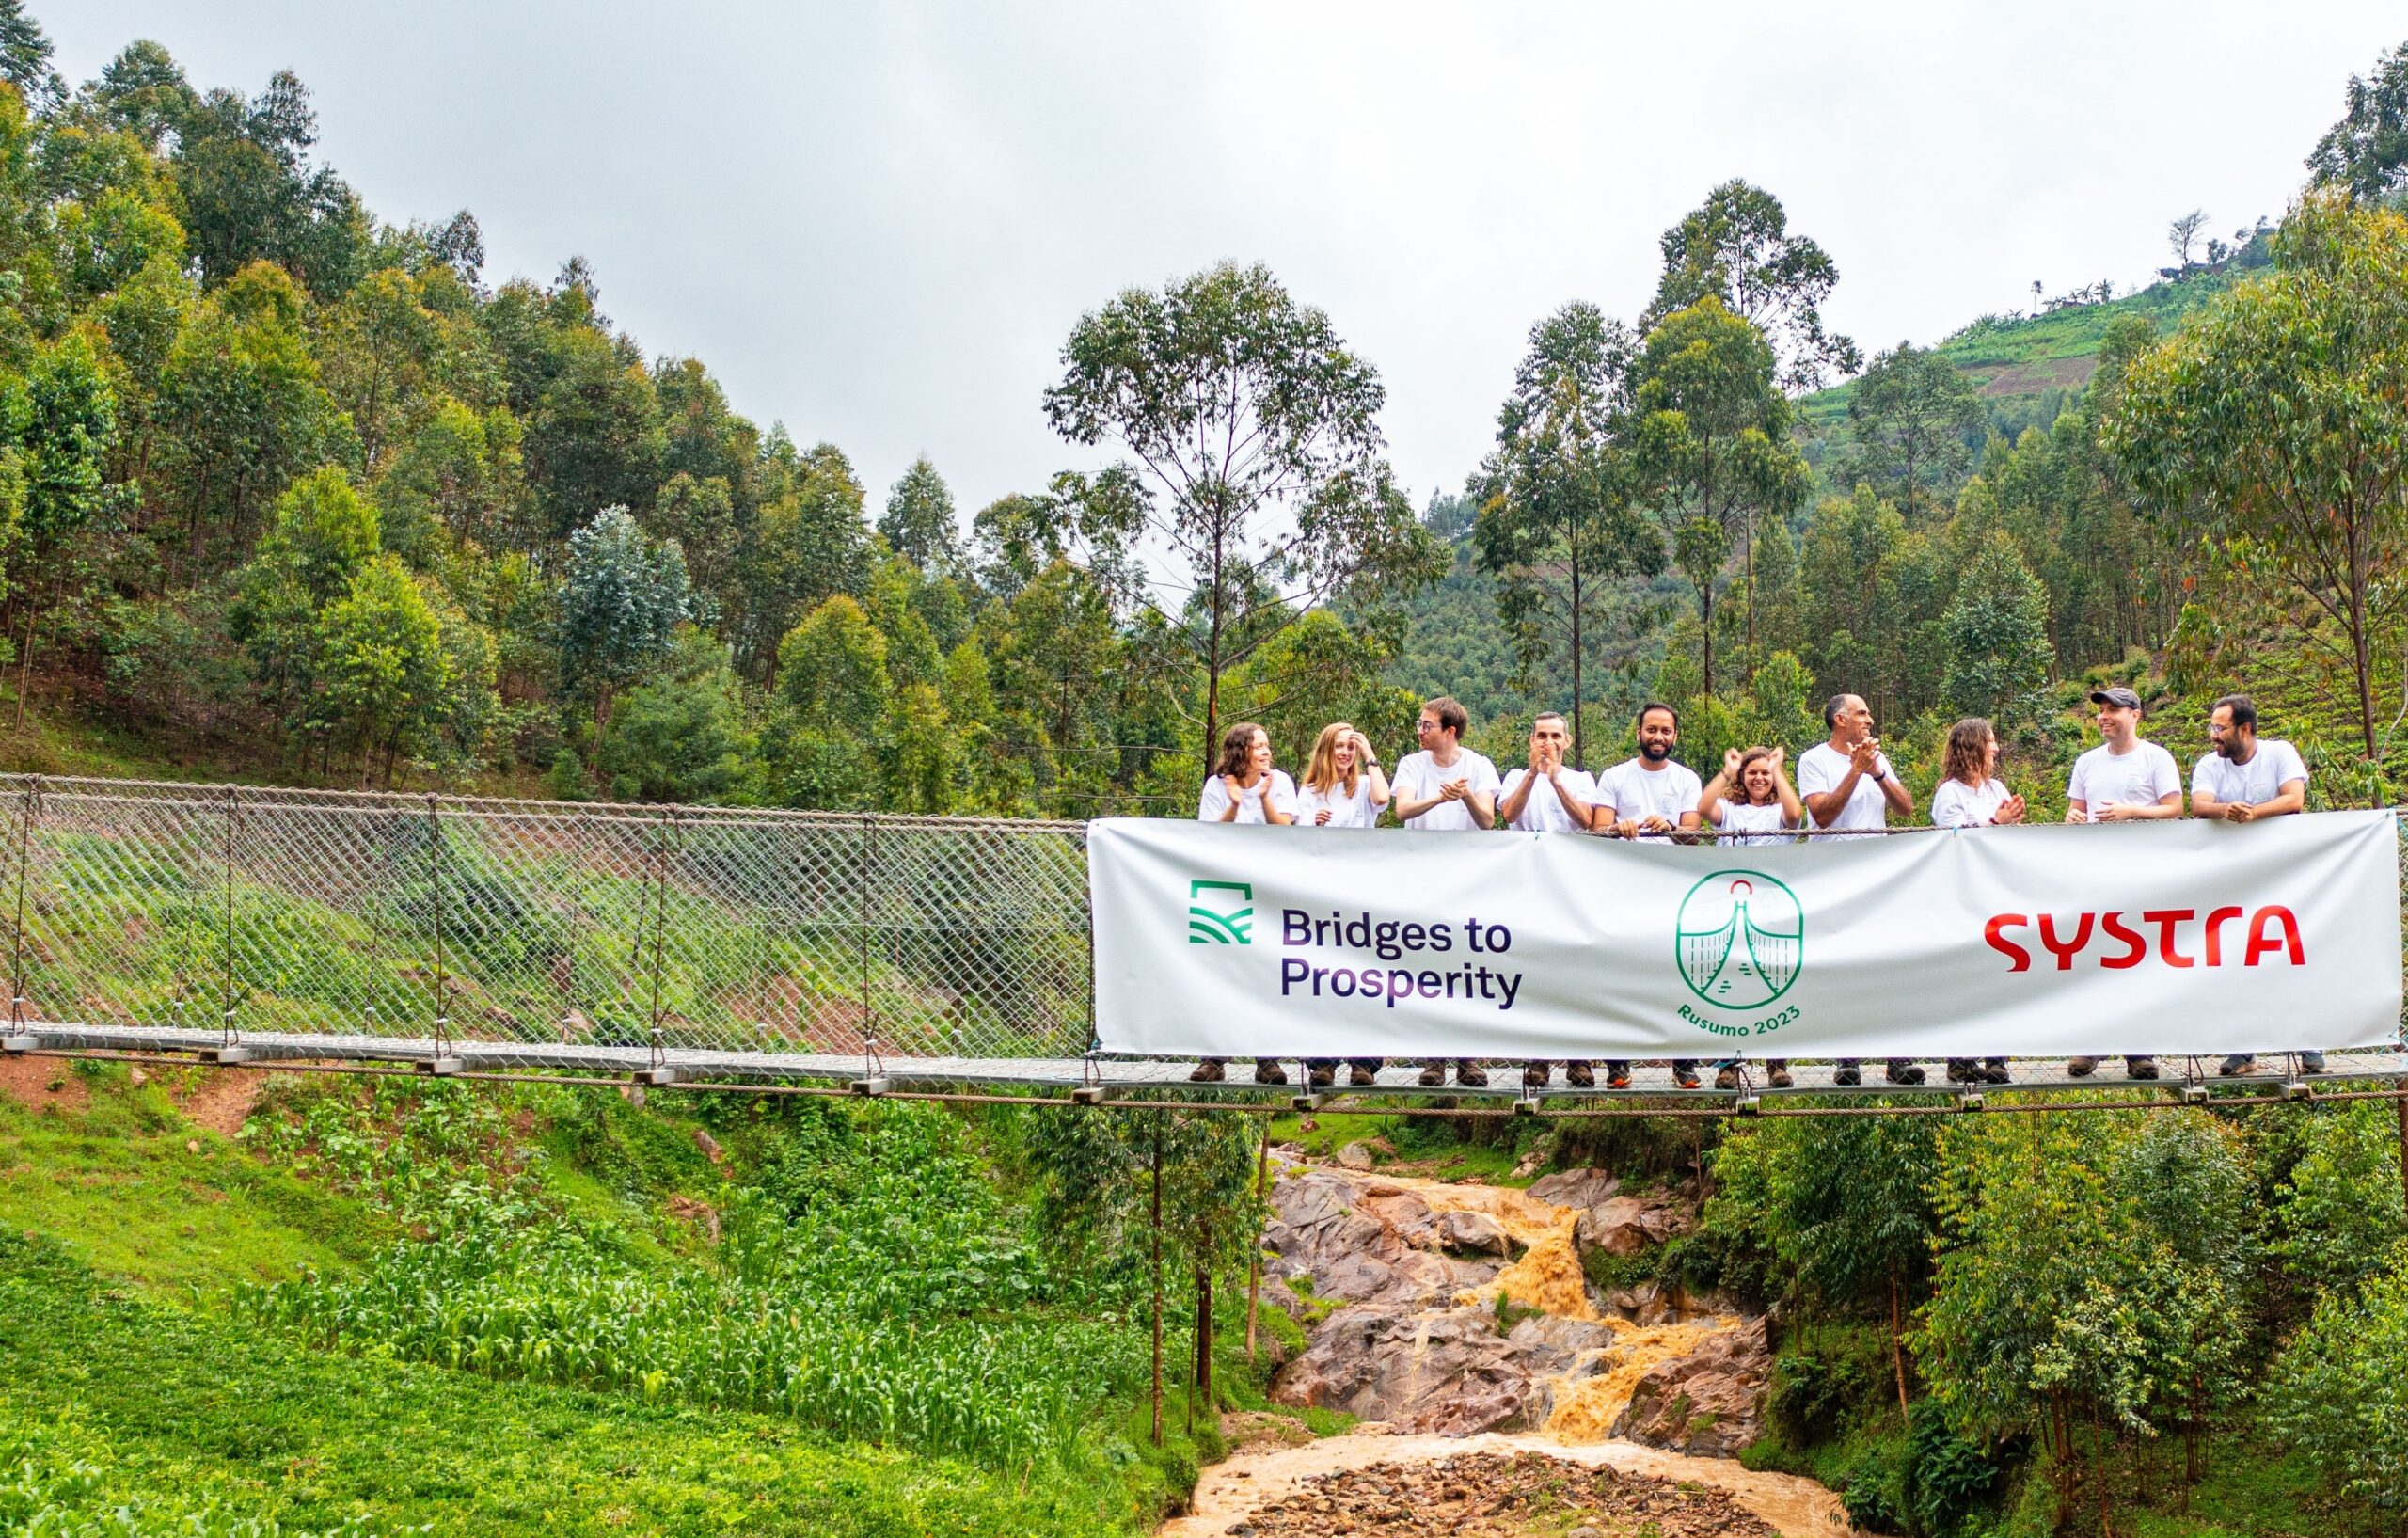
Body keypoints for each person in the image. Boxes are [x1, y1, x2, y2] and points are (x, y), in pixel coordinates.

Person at [2190, 694, 2320, 1077]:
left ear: (2244, 729)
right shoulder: (2209, 765)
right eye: (2212, 726)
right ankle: (2243, 1049)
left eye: (2220, 727)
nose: (2213, 735)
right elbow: (2199, 804)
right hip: (2232, 885)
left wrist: (2252, 812)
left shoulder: (2280, 753)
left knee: (2293, 957)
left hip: (2287, 879)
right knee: (2235, 960)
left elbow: (2294, 799)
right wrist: (2224, 810)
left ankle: (2309, 1042)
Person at [1798, 694, 1922, 1086]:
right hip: (1832, 877)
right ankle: (1847, 1060)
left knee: (1889, 964)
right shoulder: (1813, 760)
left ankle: (1898, 1059)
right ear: (1840, 719)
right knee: (1843, 967)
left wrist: (1878, 773)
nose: (1870, 719)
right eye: (1862, 713)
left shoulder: (1876, 758)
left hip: (1878, 877)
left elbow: (1906, 809)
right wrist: (1855, 771)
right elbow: (1822, 815)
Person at [2062, 686, 2183, 1082]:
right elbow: (2073, 812)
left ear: (2136, 715)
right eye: (2101, 711)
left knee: (2140, 961)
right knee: (2094, 959)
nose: (2104, 717)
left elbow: (2175, 809)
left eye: (2114, 710)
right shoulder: (2086, 762)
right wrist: (2074, 820)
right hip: (2095, 875)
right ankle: (2092, 1043)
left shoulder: (2156, 757)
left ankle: (2139, 1050)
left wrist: (2132, 812)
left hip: (2145, 875)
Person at [1391, 697, 1501, 1088]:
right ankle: (1434, 1061)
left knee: (1467, 970)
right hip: (1420, 880)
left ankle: (1468, 1060)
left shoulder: (1479, 765)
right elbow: (1401, 811)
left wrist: (1465, 794)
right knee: (1427, 971)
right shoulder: (1411, 764)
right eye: (1420, 725)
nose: (1420, 731)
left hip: (1469, 883)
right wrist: (1440, 796)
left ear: (1449, 731)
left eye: (1426, 726)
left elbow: (1488, 820)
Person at [1594, 704, 1705, 1089]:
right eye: (1652, 729)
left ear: (1675, 736)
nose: (1659, 737)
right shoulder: (1614, 776)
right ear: (1638, 732)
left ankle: (1684, 1066)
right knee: (1620, 976)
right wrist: (1617, 828)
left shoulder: (1687, 779)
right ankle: (1617, 1066)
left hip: (1672, 892)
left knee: (1680, 976)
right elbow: (1597, 829)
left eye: (1666, 731)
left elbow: (1694, 835)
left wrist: (1671, 826)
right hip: (1623, 891)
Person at [1498, 711, 1604, 1089]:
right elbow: (1508, 813)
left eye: (1555, 736)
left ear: (1567, 741)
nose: (1548, 742)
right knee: (1534, 973)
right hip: (1528, 886)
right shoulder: (1514, 776)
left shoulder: (1582, 779)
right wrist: (1533, 774)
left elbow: (1587, 820)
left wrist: (1557, 780)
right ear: (1531, 741)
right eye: (1541, 735)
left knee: (1575, 972)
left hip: (1572, 886)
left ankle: (1579, 1060)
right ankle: (1538, 1061)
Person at [1187, 721, 1296, 1086]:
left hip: (1269, 889)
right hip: (1224, 889)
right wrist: (1233, 805)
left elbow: (1284, 830)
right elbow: (1208, 838)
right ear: (1240, 751)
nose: (1266, 752)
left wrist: (1263, 796)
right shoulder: (1217, 786)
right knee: (1221, 970)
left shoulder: (1279, 782)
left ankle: (1267, 1060)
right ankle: (1214, 1058)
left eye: (1267, 745)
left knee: (1266, 971)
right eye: (1258, 746)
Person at [1698, 745, 1803, 1090]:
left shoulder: (1777, 813)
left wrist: (1779, 770)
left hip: (1771, 911)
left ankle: (1776, 1064)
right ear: (1742, 778)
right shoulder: (1730, 810)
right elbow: (1702, 809)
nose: (1759, 778)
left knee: (1772, 984)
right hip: (1728, 908)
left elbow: (1794, 814)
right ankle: (1727, 1064)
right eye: (1752, 772)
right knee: (1730, 985)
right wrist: (1726, 772)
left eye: (1765, 773)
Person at [1294, 721, 1392, 1087]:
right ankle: (1323, 1061)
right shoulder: (1307, 792)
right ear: (1326, 749)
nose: (1345, 753)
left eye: (1351, 747)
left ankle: (1363, 1062)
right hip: (1319, 894)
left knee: (1363, 976)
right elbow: (1295, 835)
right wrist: (1312, 823)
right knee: (1321, 976)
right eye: (1339, 746)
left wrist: (1370, 755)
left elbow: (1383, 800)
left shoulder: (1364, 785)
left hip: (1360, 891)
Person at [1930, 718, 2026, 1086]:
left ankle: (1997, 1057)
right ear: (1972, 747)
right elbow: (1951, 842)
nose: (1997, 748)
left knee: (1997, 972)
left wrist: (2010, 822)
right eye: (1990, 742)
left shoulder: (1995, 787)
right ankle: (1961, 1059)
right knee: (1964, 976)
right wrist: (1995, 822)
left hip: (1995, 895)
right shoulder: (1949, 794)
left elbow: (2001, 836)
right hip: (1959, 895)